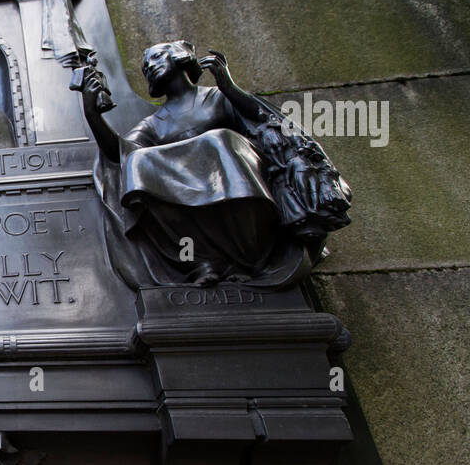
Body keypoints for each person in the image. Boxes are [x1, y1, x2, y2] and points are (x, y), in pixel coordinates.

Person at [79, 41, 342, 288]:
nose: (150, 66)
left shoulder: (217, 97)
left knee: (218, 140)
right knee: (138, 161)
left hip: (244, 186)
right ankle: (203, 259)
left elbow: (267, 121)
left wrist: (230, 88)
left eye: (157, 57)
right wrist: (92, 113)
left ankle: (251, 254)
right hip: (193, 205)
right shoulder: (155, 123)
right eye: (145, 66)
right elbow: (121, 153)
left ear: (180, 55)